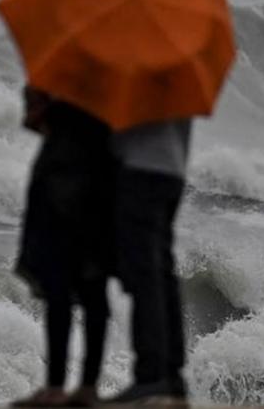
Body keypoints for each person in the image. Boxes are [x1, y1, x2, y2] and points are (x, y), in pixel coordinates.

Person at [13, 86, 117, 407]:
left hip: (73, 205)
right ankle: (81, 386)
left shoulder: (69, 92)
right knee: (85, 297)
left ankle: (67, 386)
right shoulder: (101, 93)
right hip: (90, 199)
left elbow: (35, 119)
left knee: (70, 297)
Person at [101, 119, 193, 406]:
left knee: (146, 273)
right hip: (173, 171)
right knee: (162, 270)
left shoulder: (137, 78)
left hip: (142, 172)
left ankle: (151, 375)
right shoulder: (180, 75)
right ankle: (172, 376)